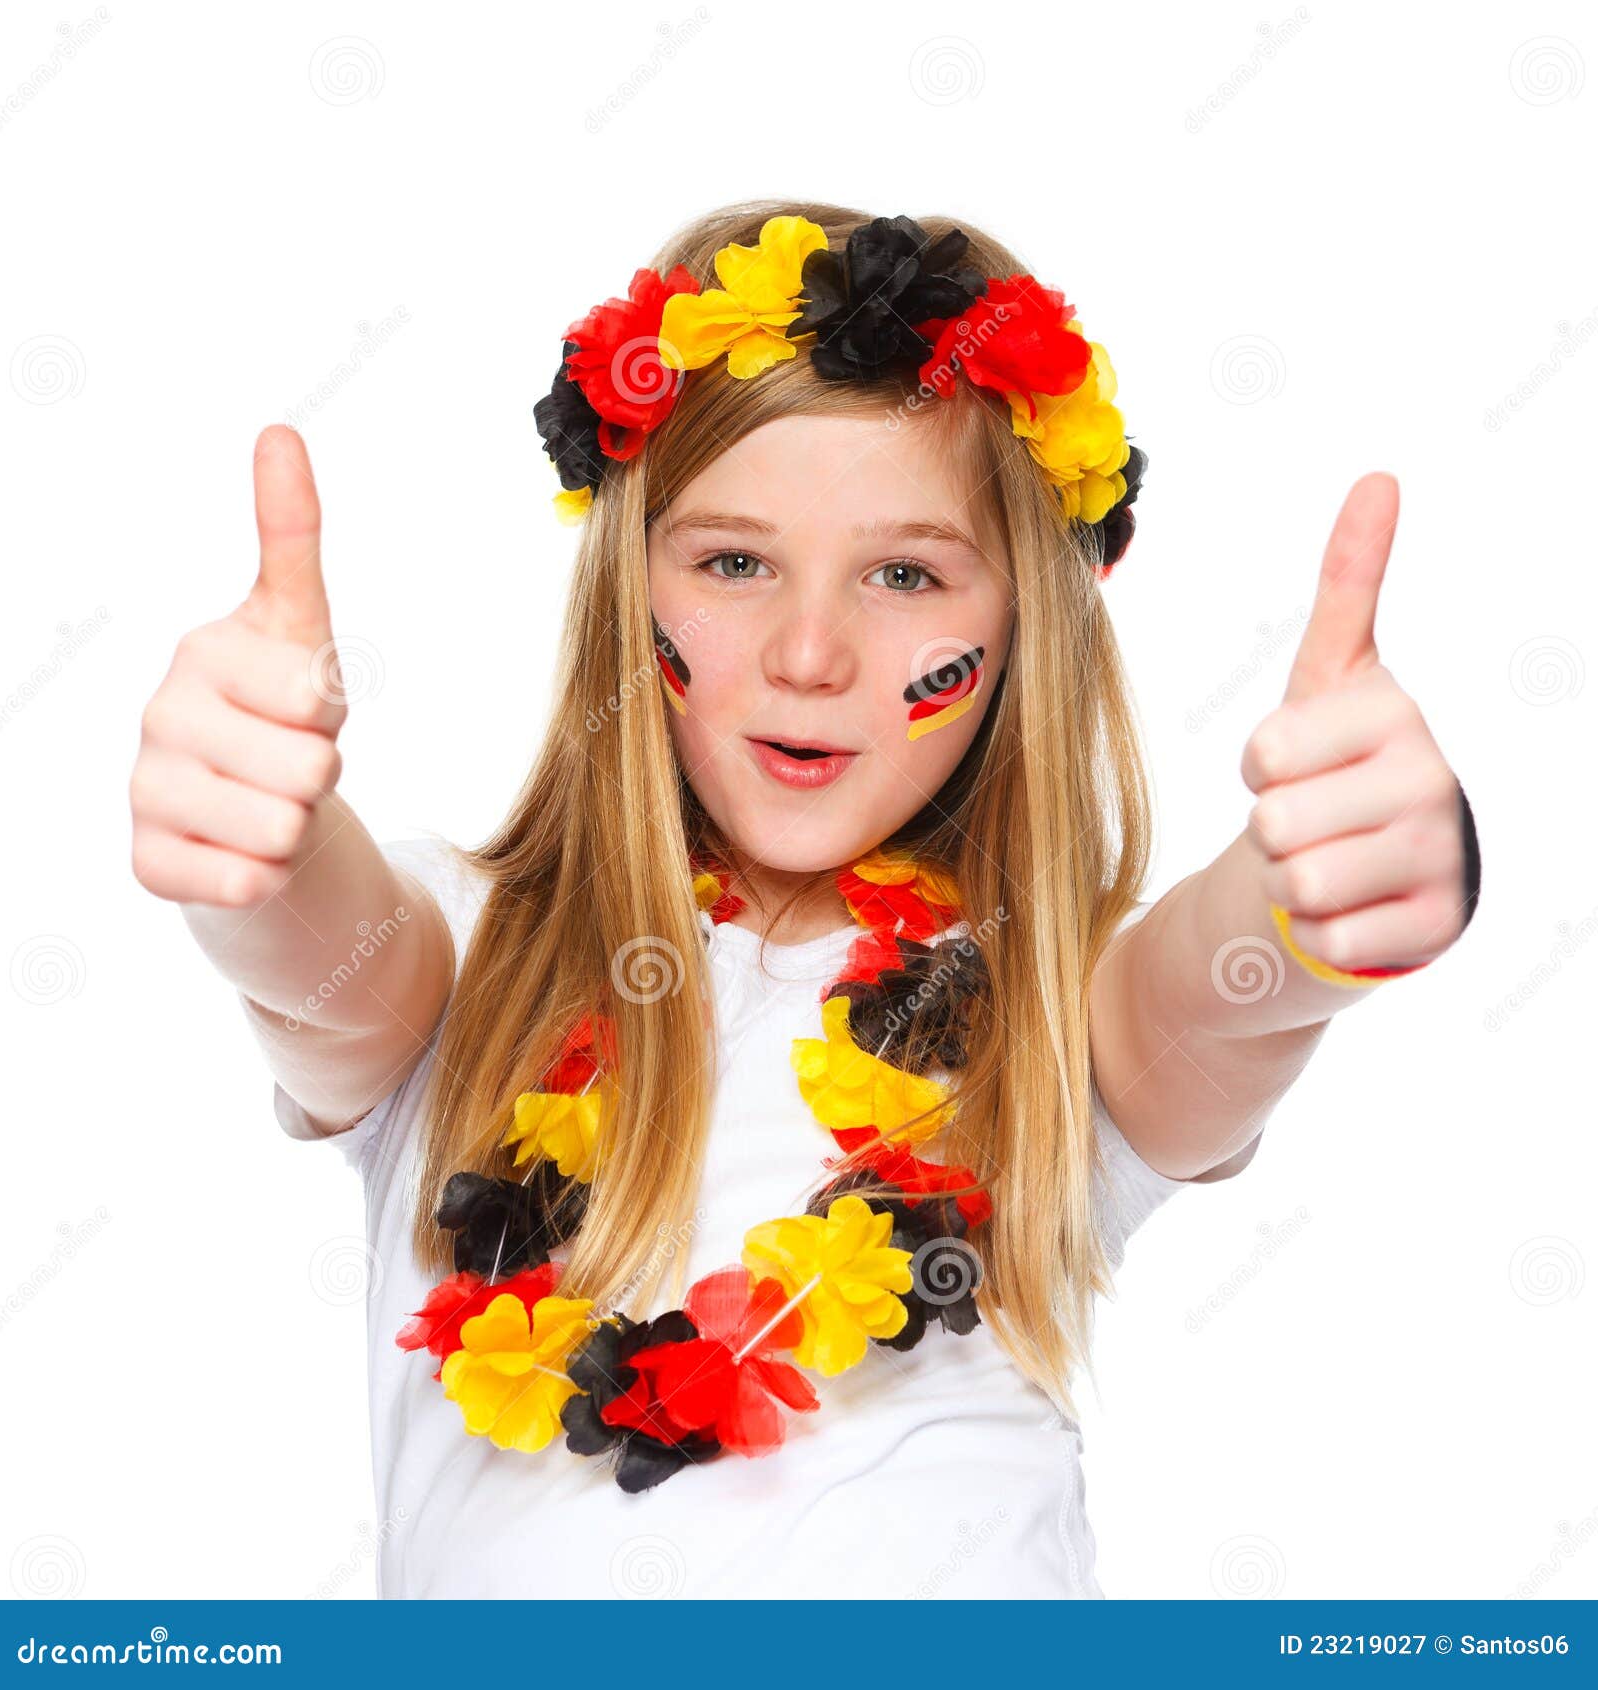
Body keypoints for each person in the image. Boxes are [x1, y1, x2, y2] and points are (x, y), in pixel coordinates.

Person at [129, 199, 1477, 1598]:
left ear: (1022, 618)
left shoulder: (1052, 1006)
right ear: (627, 586)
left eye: (905, 574)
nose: (811, 652)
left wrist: (1307, 902)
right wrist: (263, 844)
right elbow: (323, 960)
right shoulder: (465, 953)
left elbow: (1214, 990)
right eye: (733, 562)